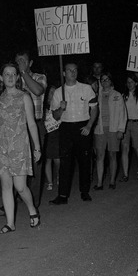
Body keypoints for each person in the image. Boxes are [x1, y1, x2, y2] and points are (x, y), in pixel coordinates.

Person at [0, 63, 41, 232]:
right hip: (1, 146)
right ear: (1, 78)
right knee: (6, 185)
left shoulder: (24, 97)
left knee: (20, 186)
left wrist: (37, 147)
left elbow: (32, 124)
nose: (10, 77)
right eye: (7, 74)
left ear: (18, 77)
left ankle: (32, 209)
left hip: (19, 146)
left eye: (13, 74)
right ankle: (10, 223)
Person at [48, 62, 98, 204]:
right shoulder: (58, 92)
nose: (73, 72)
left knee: (84, 161)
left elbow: (94, 108)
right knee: (65, 163)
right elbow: (55, 116)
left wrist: (89, 125)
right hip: (66, 128)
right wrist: (61, 109)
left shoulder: (86, 88)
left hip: (83, 126)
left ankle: (85, 191)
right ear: (64, 73)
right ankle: (63, 195)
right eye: (69, 70)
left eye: (75, 70)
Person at [15, 49, 47, 199]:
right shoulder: (13, 78)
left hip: (36, 125)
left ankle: (33, 201)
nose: (20, 63)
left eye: (23, 60)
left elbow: (38, 90)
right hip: (16, 126)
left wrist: (23, 74)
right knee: (15, 162)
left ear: (30, 63)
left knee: (35, 163)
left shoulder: (40, 77)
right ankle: (11, 199)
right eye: (18, 61)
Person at [92, 70, 126, 189]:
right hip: (100, 129)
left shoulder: (117, 95)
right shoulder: (96, 95)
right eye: (102, 80)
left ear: (111, 81)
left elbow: (122, 113)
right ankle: (100, 182)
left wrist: (121, 129)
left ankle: (112, 181)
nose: (104, 82)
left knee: (112, 155)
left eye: (106, 79)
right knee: (100, 156)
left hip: (113, 129)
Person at [120, 73, 138, 180]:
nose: (129, 84)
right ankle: (125, 174)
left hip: (137, 123)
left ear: (136, 83)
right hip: (126, 124)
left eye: (132, 82)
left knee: (137, 149)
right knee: (125, 149)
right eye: (128, 82)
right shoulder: (123, 96)